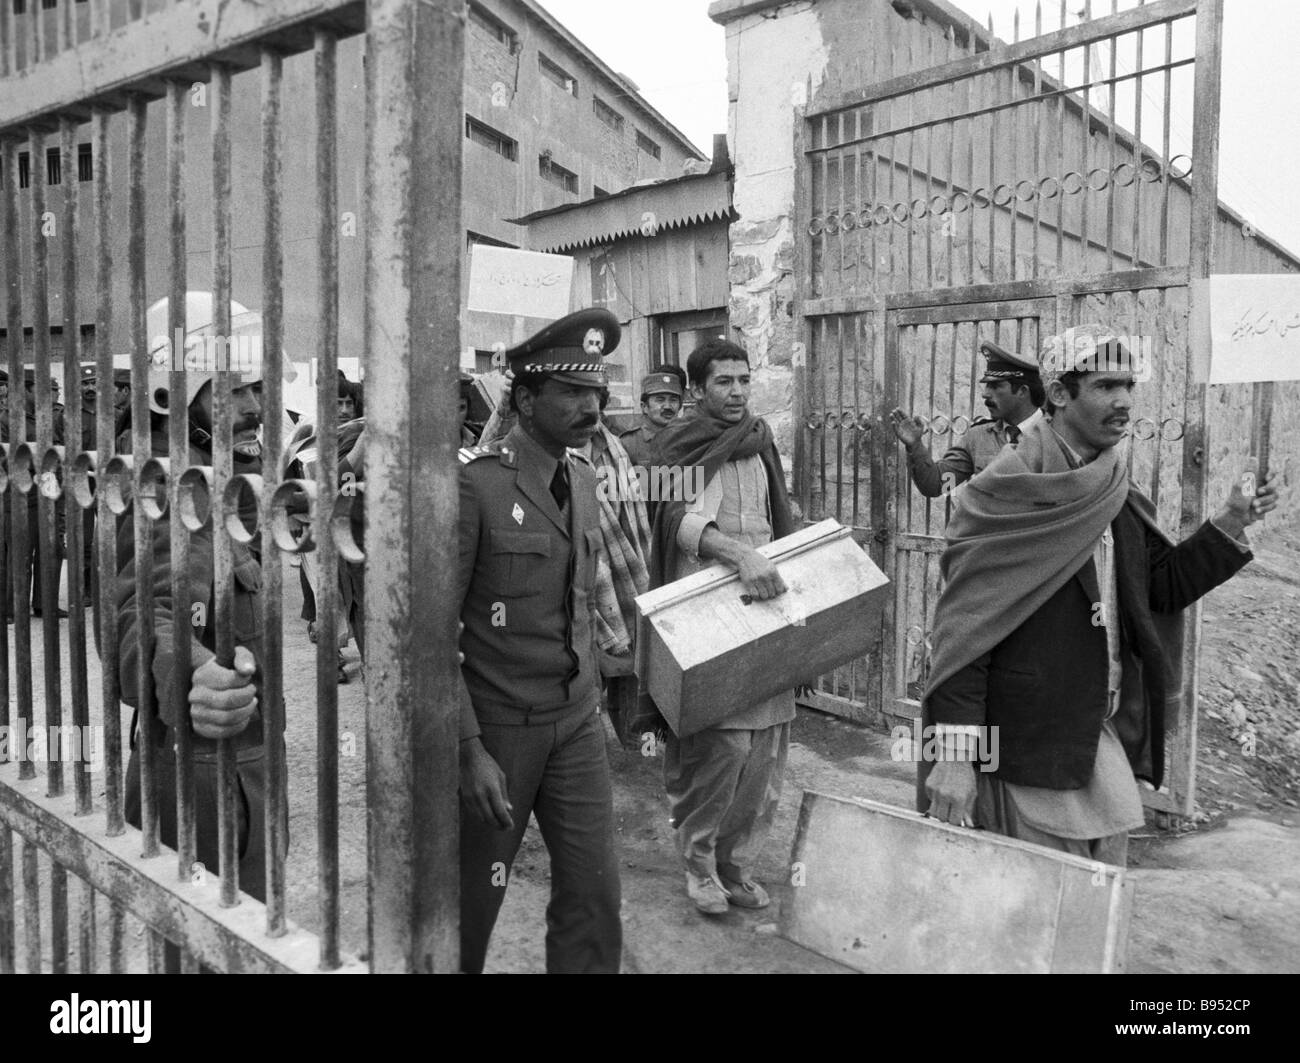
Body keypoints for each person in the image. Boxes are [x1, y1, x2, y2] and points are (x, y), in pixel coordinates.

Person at [920, 324, 1278, 866]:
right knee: (1024, 913)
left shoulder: (1113, 489)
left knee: (1092, 904)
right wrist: (952, 757)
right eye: (1108, 386)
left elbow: (1162, 587)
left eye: (1129, 386)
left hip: (1095, 732)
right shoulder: (1003, 493)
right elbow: (962, 638)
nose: (1125, 401)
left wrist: (1229, 521)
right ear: (1060, 394)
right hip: (1020, 740)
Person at [455, 306, 622, 974]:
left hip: (575, 721)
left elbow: (578, 603)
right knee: (467, 903)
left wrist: (599, 700)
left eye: (597, 394)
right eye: (573, 393)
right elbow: (432, 630)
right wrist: (467, 748)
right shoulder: (475, 484)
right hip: (499, 727)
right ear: (525, 398)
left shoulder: (582, 477)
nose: (591, 406)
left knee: (594, 894)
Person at [114, 292, 285, 933]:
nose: (251, 408)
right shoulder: (164, 487)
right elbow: (141, 612)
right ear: (173, 396)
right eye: (232, 392)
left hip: (250, 764)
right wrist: (187, 675)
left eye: (256, 389)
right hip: (201, 774)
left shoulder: (226, 482)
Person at [645, 338, 797, 916]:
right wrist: (736, 554)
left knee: (766, 752)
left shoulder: (759, 441)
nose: (736, 392)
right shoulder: (675, 446)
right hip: (708, 612)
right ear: (697, 390)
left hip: (767, 607)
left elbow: (778, 518)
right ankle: (700, 863)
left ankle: (736, 864)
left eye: (743, 380)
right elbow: (672, 520)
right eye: (723, 382)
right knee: (720, 746)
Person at [890, 339, 1043, 498]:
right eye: (986, 386)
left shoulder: (1055, 433)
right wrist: (915, 446)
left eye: (995, 386)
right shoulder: (978, 437)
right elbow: (938, 485)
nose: (985, 394)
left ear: (1022, 391)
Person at [618, 367, 684, 469]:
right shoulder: (628, 444)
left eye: (673, 400)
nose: (667, 406)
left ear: (680, 405)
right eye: (660, 400)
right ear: (644, 407)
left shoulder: (688, 438)